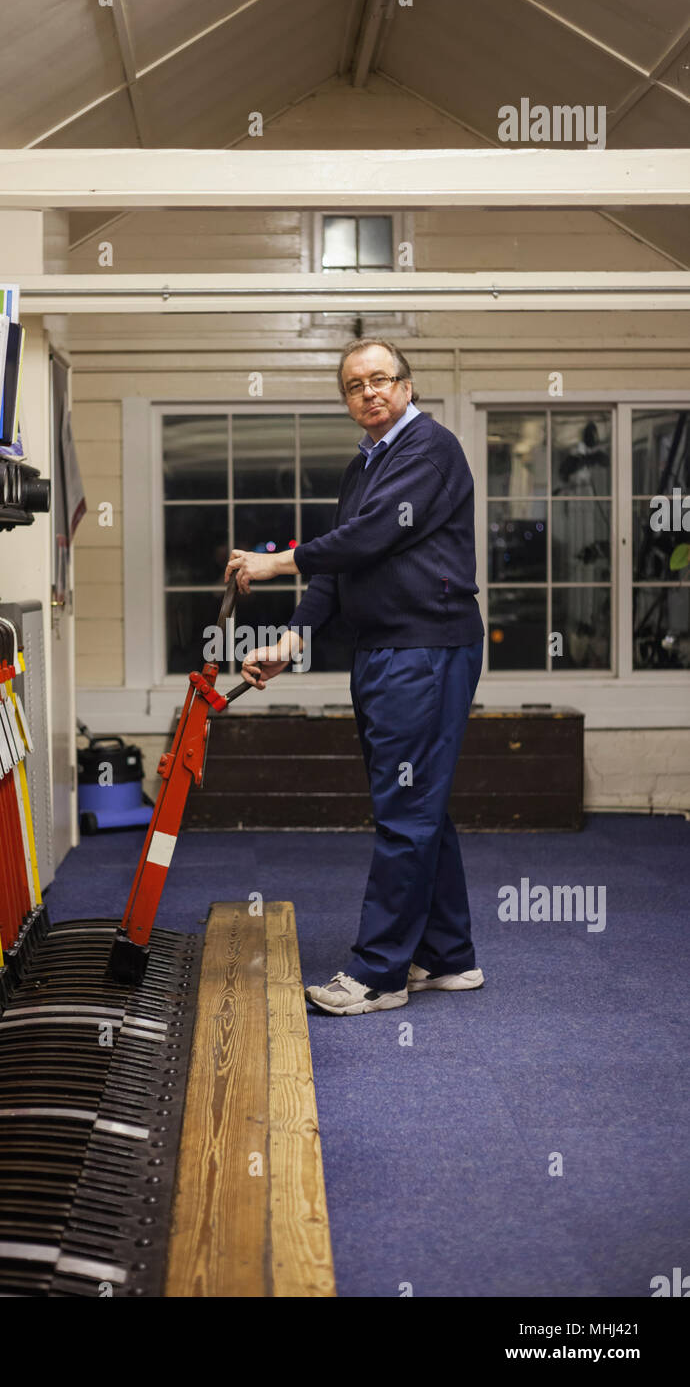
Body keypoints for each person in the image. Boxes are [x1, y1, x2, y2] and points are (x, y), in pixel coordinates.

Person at [224, 339, 485, 1016]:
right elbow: (342, 566)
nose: (369, 392)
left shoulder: (429, 449)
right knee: (420, 805)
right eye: (353, 385)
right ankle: (448, 955)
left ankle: (378, 974)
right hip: (383, 651)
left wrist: (274, 562)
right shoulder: (365, 465)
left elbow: (367, 539)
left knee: (406, 812)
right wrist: (290, 639)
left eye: (380, 379)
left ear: (405, 385)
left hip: (422, 649)